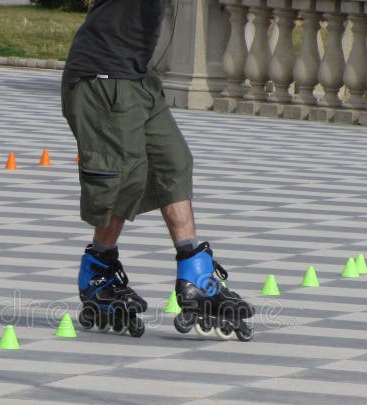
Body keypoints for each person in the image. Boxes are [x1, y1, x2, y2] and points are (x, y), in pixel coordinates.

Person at [61, 0, 254, 341]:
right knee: (123, 178)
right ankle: (98, 272)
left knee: (174, 162)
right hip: (102, 79)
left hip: (136, 80)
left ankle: (194, 271)